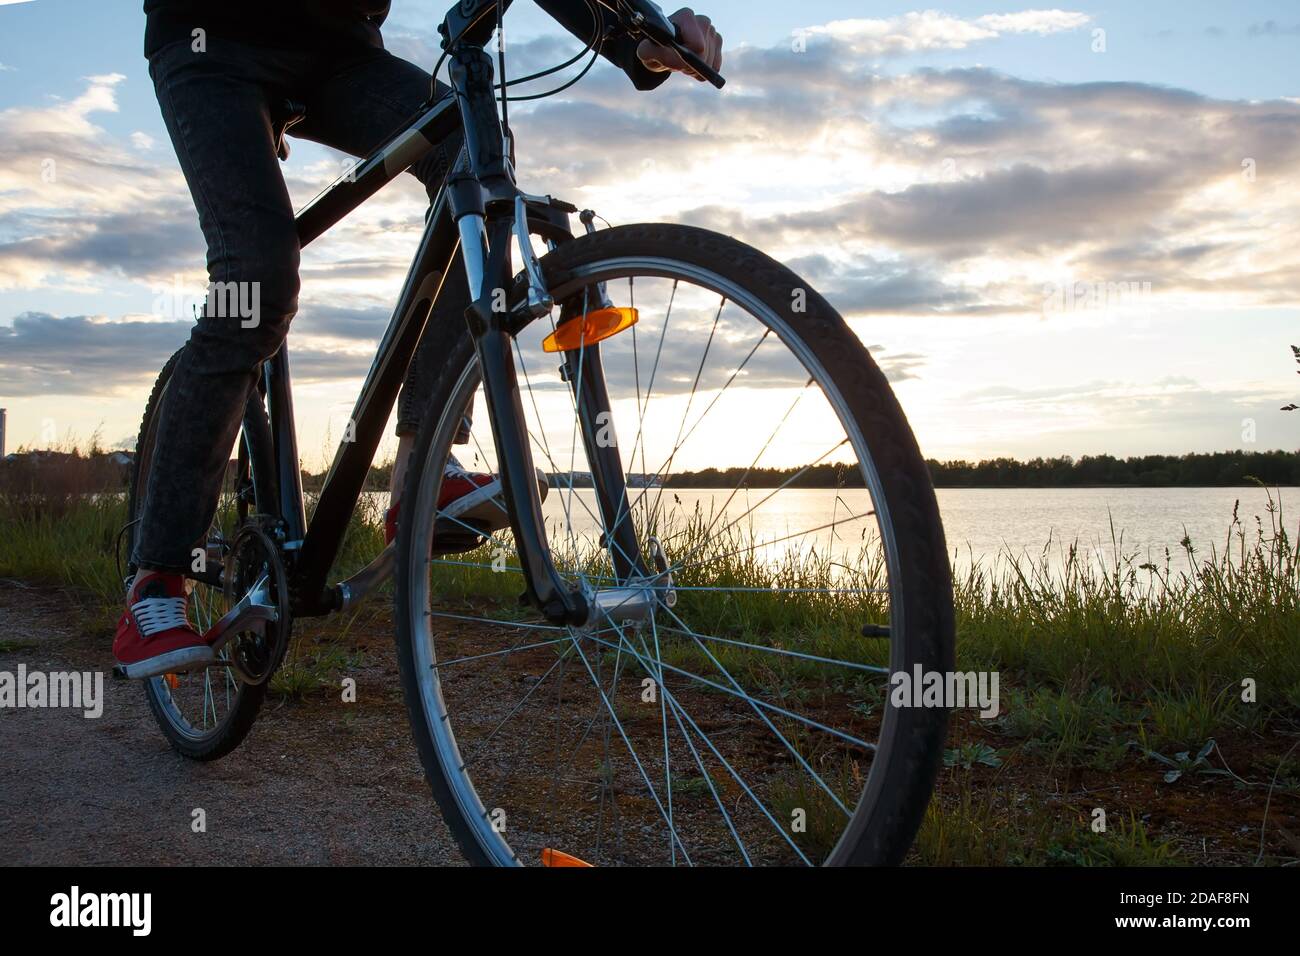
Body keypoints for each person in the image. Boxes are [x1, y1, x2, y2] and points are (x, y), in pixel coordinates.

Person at [113, 0, 722, 679]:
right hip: (209, 42)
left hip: (338, 51)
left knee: (473, 152)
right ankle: (156, 581)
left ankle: (419, 477)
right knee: (254, 283)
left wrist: (632, 39)